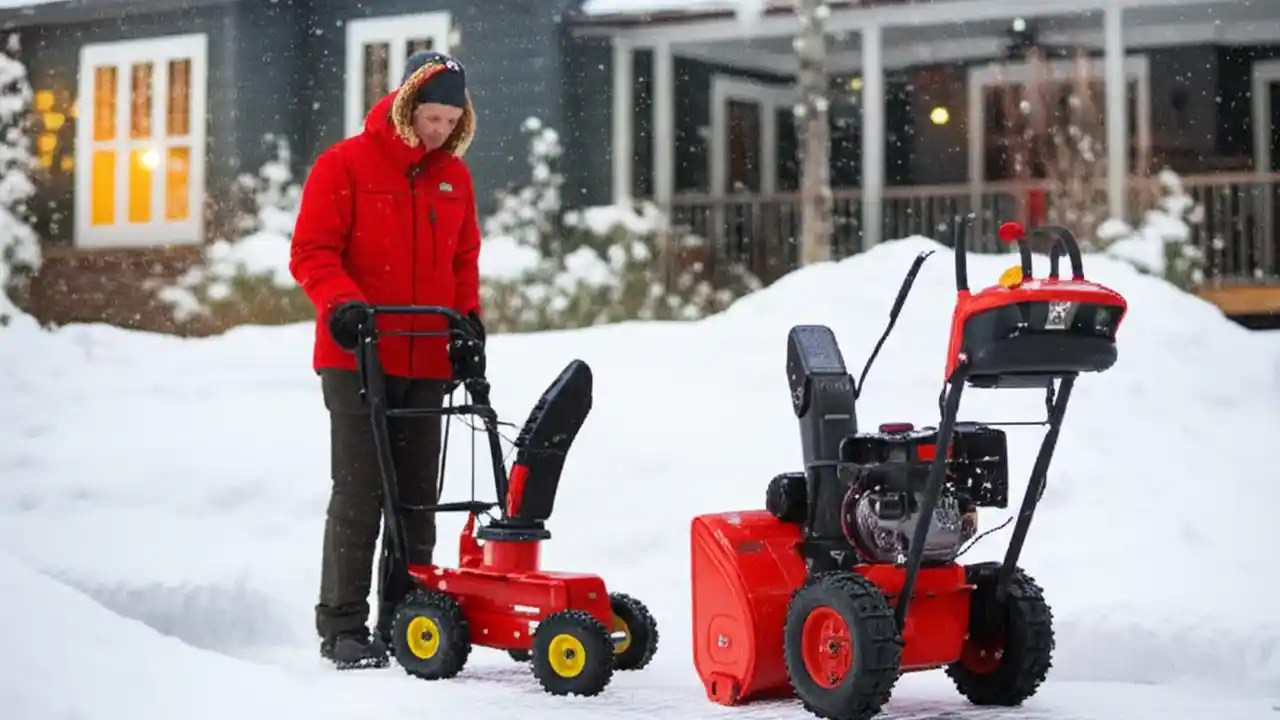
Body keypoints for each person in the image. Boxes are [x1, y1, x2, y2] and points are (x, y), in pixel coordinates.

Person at [289, 50, 485, 670]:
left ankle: (407, 620)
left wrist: (466, 326)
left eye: (451, 121)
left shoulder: (454, 178)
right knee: (360, 493)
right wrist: (342, 303)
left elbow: (463, 262)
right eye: (431, 118)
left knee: (417, 500)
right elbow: (312, 251)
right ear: (406, 107)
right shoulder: (344, 164)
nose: (440, 131)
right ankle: (343, 627)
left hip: (426, 358)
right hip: (357, 355)